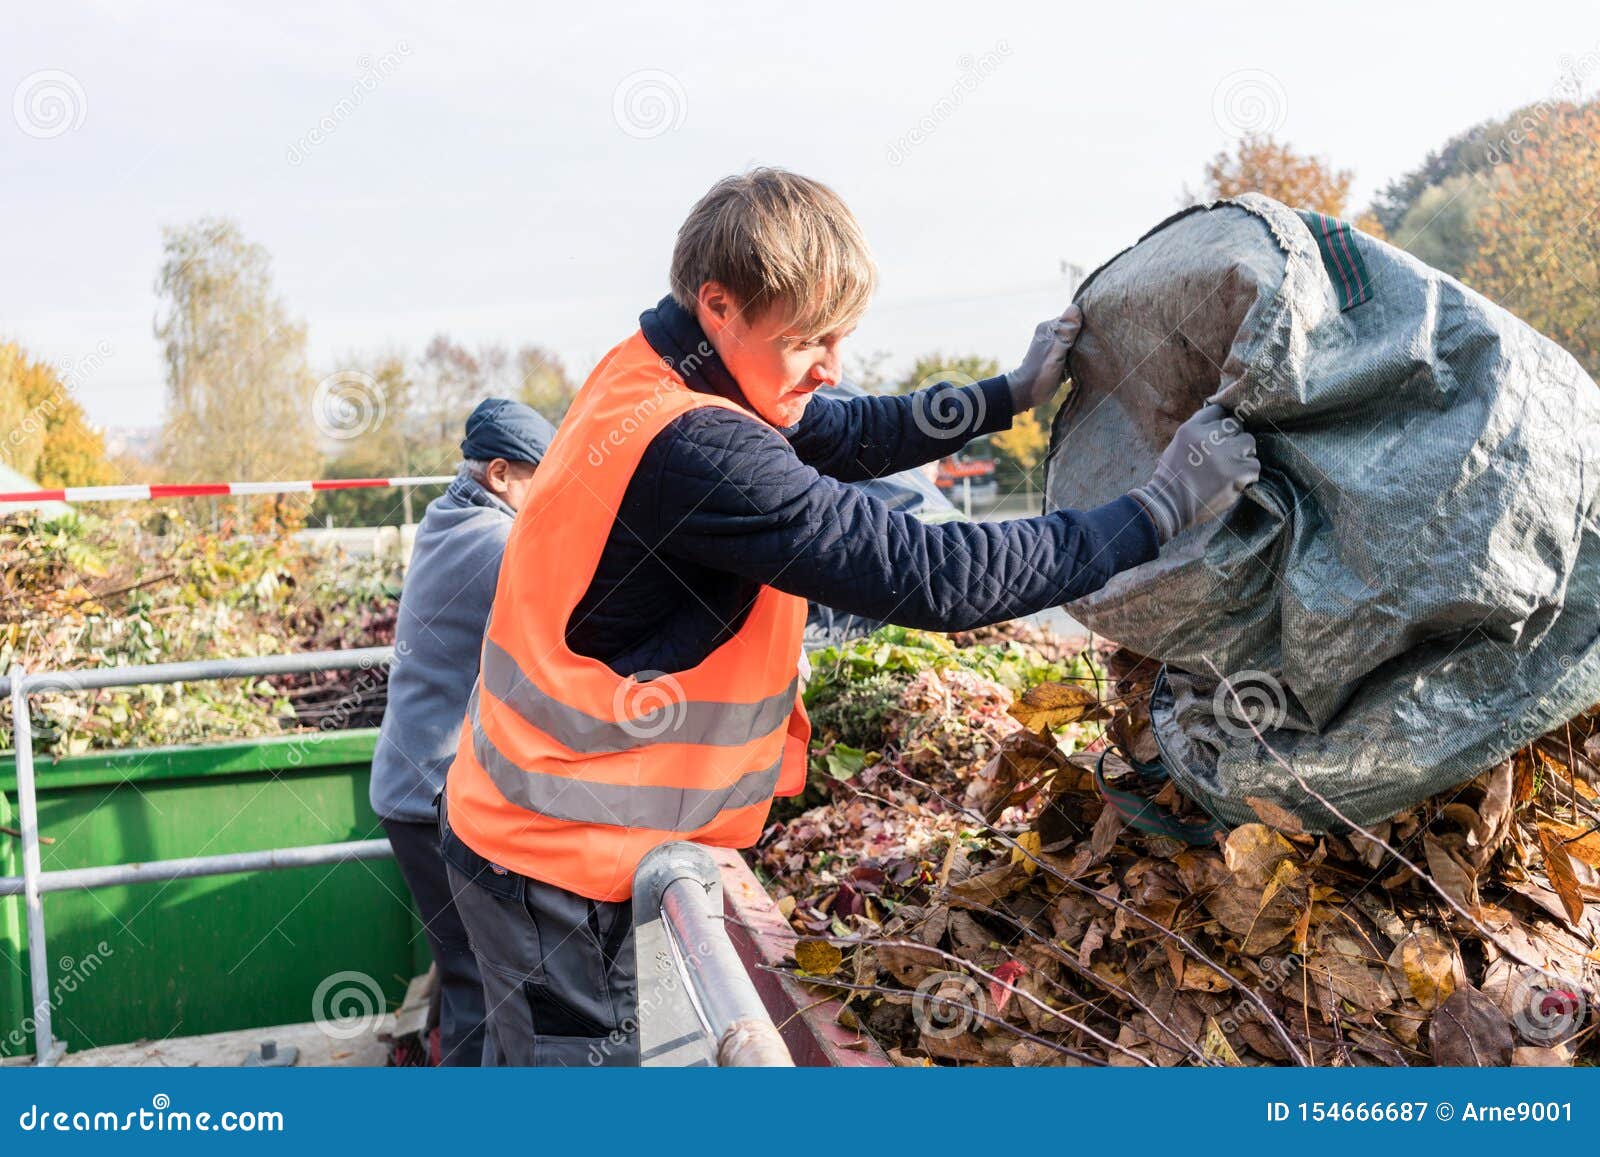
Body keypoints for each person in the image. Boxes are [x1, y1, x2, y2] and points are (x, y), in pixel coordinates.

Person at [441, 168, 1258, 1066]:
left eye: (841, 335)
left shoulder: (658, 367)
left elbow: (835, 426)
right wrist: (1159, 508)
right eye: (807, 340)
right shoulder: (699, 445)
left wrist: (1004, 396)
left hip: (523, 824)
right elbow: (934, 574)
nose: (830, 365)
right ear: (720, 304)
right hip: (557, 859)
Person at [370, 397, 556, 1066]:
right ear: (501, 474)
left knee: (461, 967)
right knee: (479, 974)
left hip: (412, 782)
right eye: (541, 477)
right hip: (429, 795)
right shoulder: (493, 541)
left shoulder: (447, 516)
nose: (550, 494)